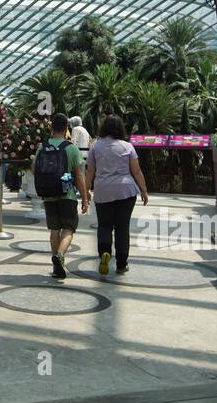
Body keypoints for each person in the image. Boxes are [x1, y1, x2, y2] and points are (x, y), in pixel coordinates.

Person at [87, 115, 149, 275]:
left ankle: (104, 253)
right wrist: (143, 190)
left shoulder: (95, 146)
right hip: (126, 191)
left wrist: (86, 191)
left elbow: (90, 171)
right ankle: (122, 263)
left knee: (105, 225)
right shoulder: (127, 146)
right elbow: (136, 171)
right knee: (122, 227)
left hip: (103, 191)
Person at [34, 113, 89, 279]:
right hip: (67, 195)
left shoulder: (42, 147)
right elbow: (79, 175)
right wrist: (85, 197)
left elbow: (34, 169)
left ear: (51, 128)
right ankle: (60, 255)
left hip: (48, 195)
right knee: (69, 228)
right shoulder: (70, 148)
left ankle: (56, 267)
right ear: (66, 128)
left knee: (54, 229)